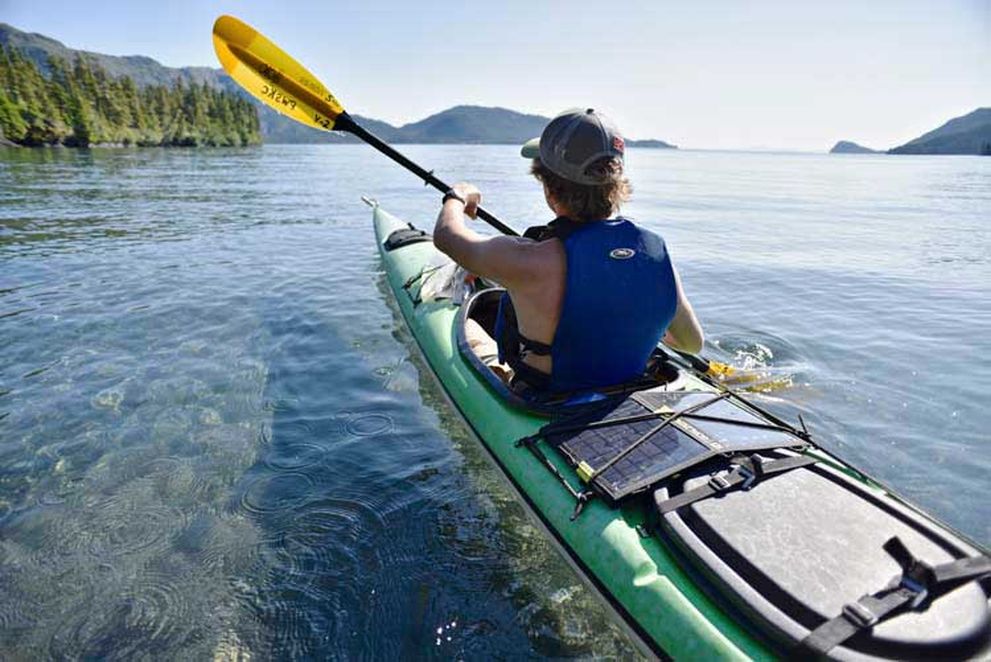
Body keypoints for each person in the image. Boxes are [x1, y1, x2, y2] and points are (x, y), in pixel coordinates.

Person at [433, 108, 703, 394]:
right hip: (627, 389)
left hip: (548, 400)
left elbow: (447, 236)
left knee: (470, 327)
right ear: (616, 182)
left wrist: (458, 195)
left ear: (549, 188)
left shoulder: (526, 259)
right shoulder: (656, 253)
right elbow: (691, 343)